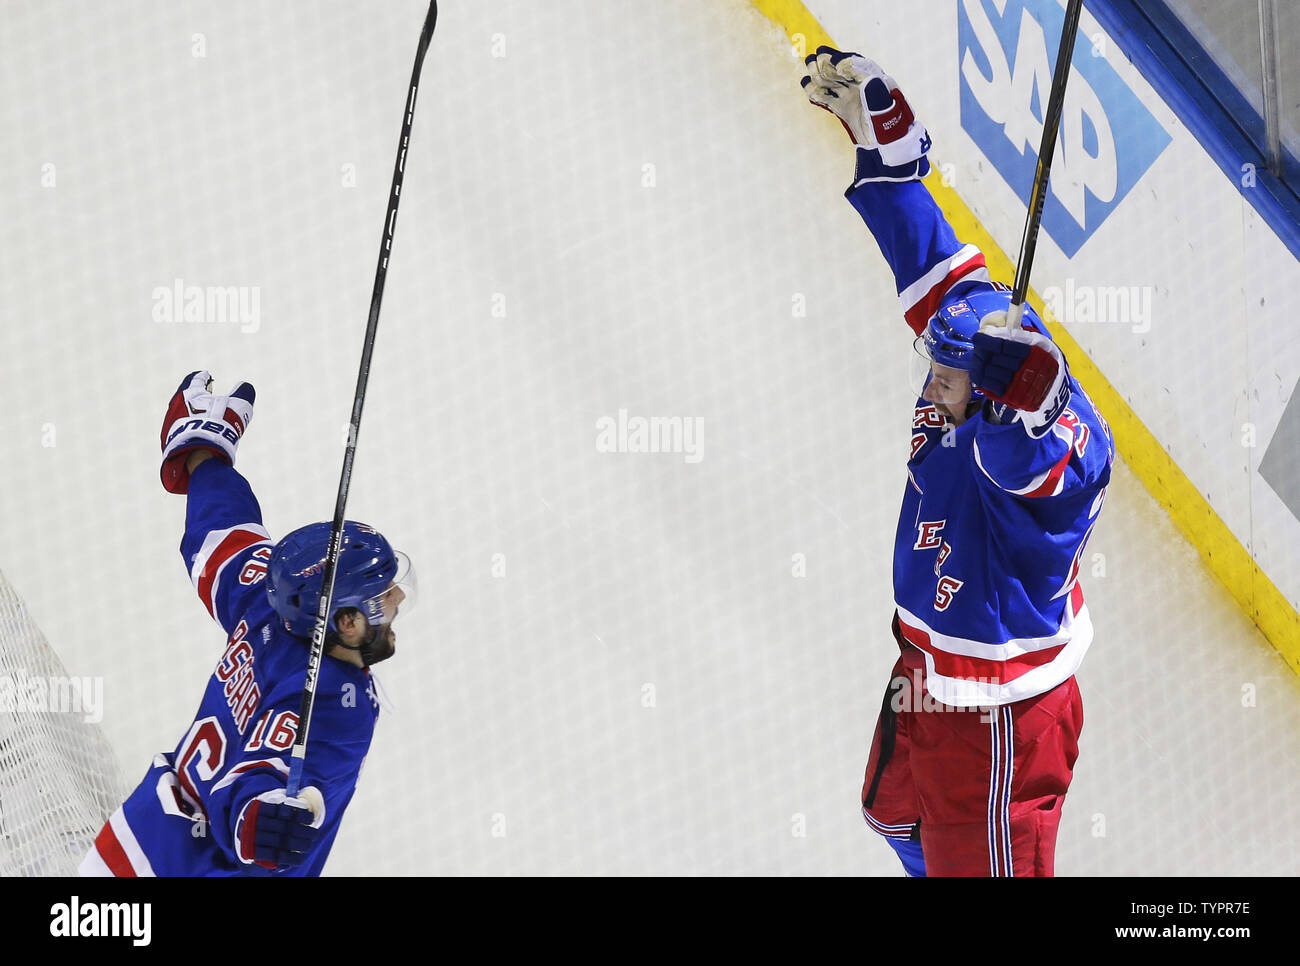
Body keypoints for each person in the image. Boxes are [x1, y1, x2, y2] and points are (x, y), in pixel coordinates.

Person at [802, 48, 1114, 876]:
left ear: (993, 392)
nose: (930, 388)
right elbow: (932, 266)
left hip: (1002, 723)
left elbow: (1048, 464)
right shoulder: (969, 344)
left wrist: (1034, 407)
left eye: (946, 379)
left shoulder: (1029, 443)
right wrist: (892, 169)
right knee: (892, 818)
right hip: (928, 670)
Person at [79, 371, 415, 876]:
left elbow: (221, 535)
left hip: (134, 842)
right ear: (346, 622)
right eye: (383, 595)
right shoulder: (337, 704)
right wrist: (255, 820)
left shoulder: (269, 601)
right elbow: (264, 773)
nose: (398, 599)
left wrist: (203, 456)